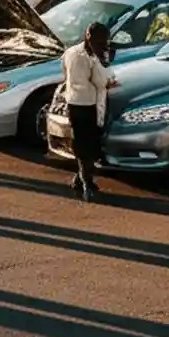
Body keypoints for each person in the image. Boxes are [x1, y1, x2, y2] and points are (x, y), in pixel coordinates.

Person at [60, 22, 116, 202]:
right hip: (88, 106)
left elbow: (64, 72)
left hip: (74, 102)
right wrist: (106, 62)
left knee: (84, 146)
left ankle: (79, 180)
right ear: (90, 37)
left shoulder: (70, 52)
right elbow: (101, 81)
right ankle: (86, 184)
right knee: (88, 149)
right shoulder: (90, 58)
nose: (103, 45)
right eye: (101, 42)